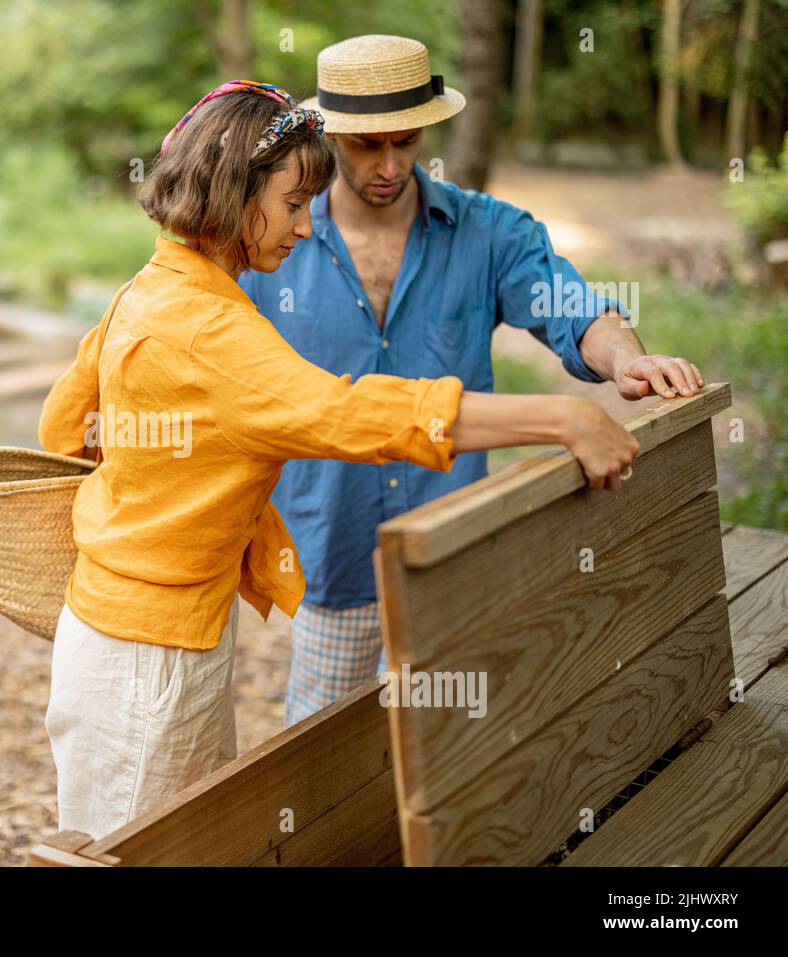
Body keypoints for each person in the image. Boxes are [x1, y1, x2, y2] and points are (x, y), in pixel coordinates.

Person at [37, 80, 638, 840]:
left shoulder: (156, 286)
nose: (301, 225)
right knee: (130, 852)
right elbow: (346, 411)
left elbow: (64, 424)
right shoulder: (209, 327)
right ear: (235, 189)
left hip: (150, 634)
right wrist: (557, 415)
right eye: (291, 204)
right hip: (145, 660)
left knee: (181, 848)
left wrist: (147, 494)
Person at [237, 36, 706, 726]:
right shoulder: (275, 239)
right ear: (333, 135)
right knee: (322, 760)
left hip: (452, 550)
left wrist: (625, 359)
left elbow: (573, 308)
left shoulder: (488, 230)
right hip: (328, 551)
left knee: (452, 743)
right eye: (369, 146)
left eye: (406, 141)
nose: (391, 164)